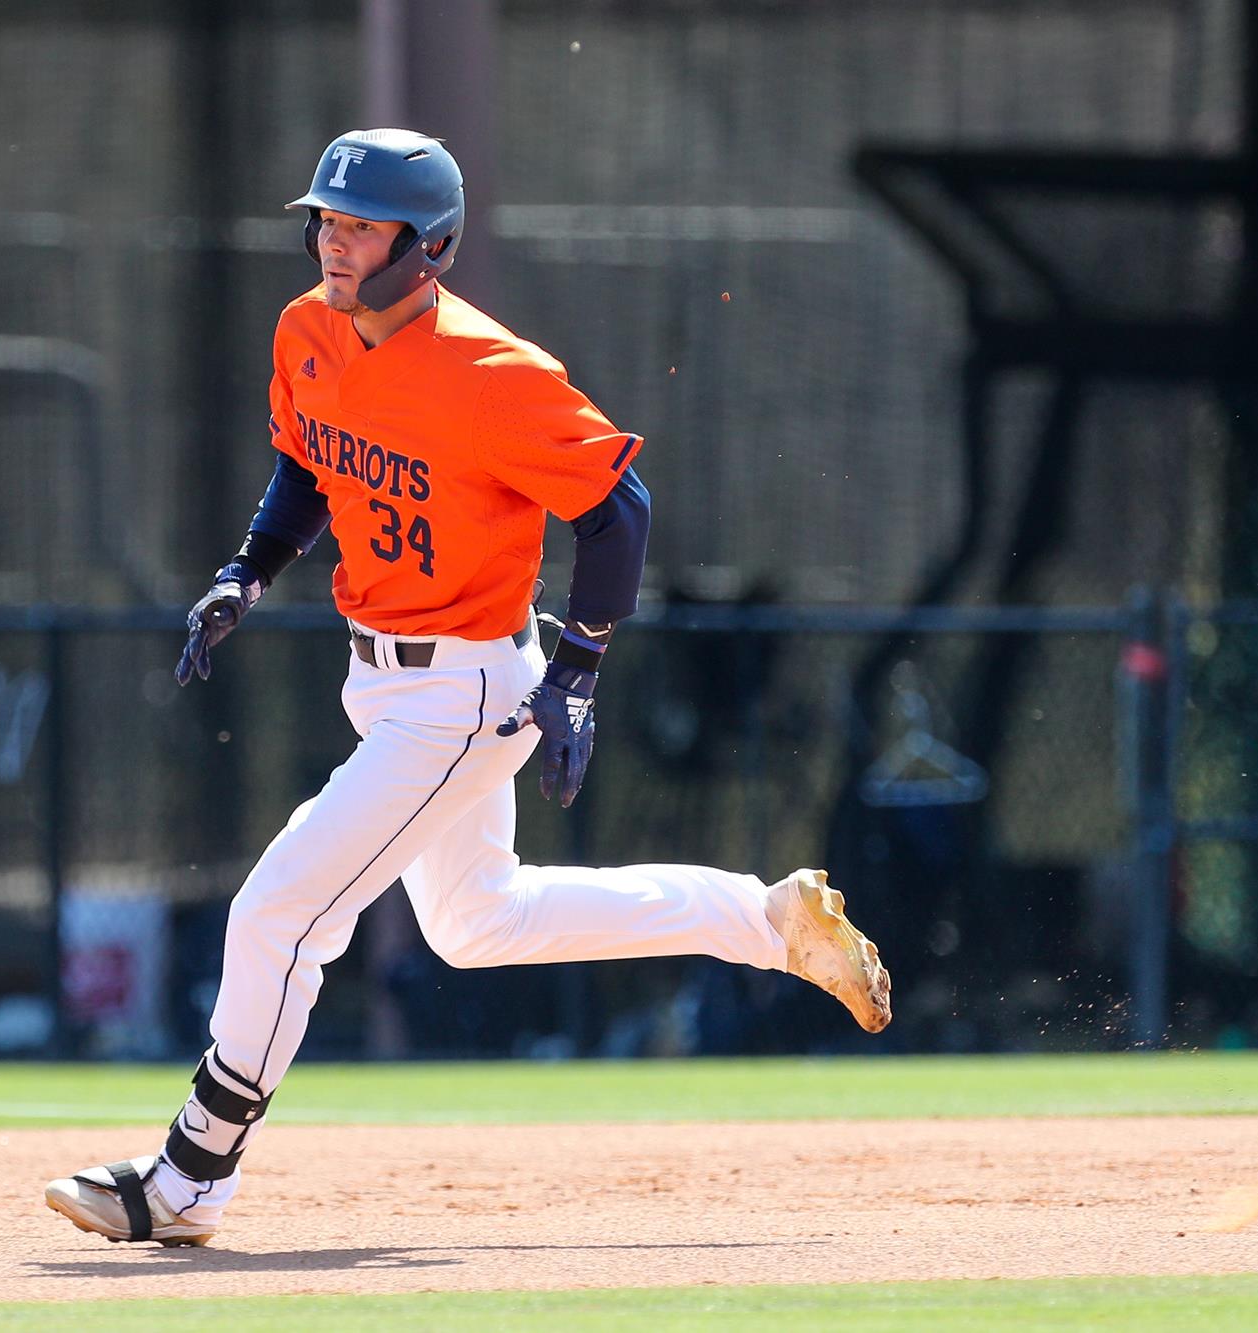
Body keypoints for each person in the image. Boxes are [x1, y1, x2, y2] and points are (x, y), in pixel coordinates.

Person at [45, 129, 890, 1247]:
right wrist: (245, 573)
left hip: (464, 691)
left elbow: (616, 509)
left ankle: (190, 1174)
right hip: (383, 678)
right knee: (477, 922)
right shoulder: (308, 329)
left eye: (359, 225)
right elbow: (308, 461)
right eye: (325, 220)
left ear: (426, 246)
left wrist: (578, 674)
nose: (331, 241)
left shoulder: (490, 372)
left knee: (279, 909)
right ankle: (765, 918)